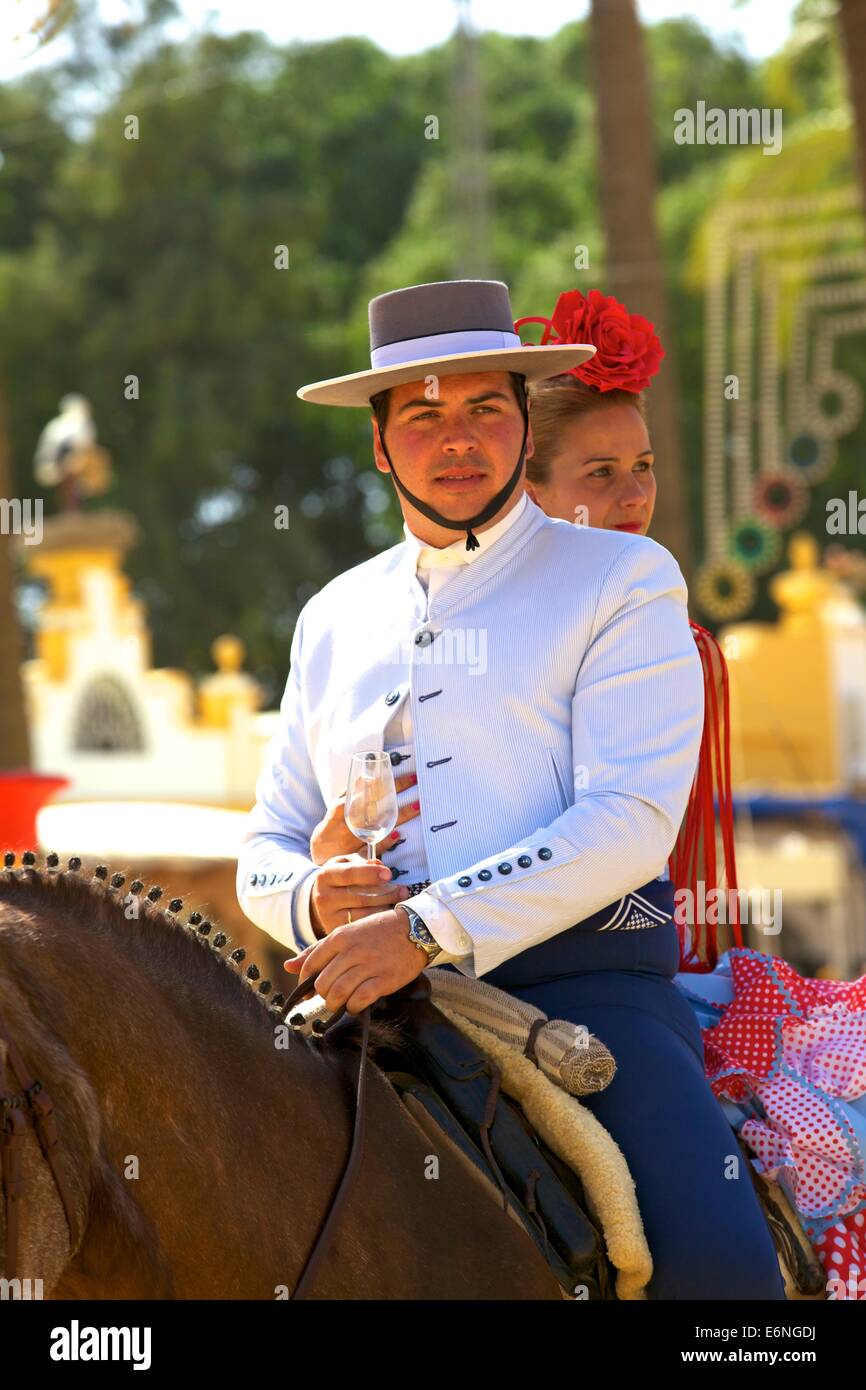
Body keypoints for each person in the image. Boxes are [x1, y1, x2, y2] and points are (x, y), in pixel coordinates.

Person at [236, 277, 785, 1300]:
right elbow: (264, 841)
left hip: (585, 993)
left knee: (720, 1273)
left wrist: (424, 923)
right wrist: (312, 900)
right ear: (378, 443)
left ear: (522, 420)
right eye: (424, 413)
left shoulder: (621, 580)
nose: (457, 438)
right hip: (366, 1009)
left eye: (485, 407)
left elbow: (625, 823)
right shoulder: (330, 615)